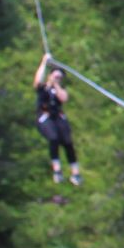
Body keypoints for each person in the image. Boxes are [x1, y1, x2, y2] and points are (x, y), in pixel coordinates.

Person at [34, 53, 79, 186]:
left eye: (60, 77)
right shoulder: (43, 88)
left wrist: (56, 85)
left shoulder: (60, 89)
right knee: (53, 138)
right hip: (45, 117)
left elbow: (63, 98)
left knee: (68, 142)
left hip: (58, 116)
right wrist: (44, 62)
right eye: (55, 76)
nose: (57, 79)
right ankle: (57, 170)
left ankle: (75, 173)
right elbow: (37, 81)